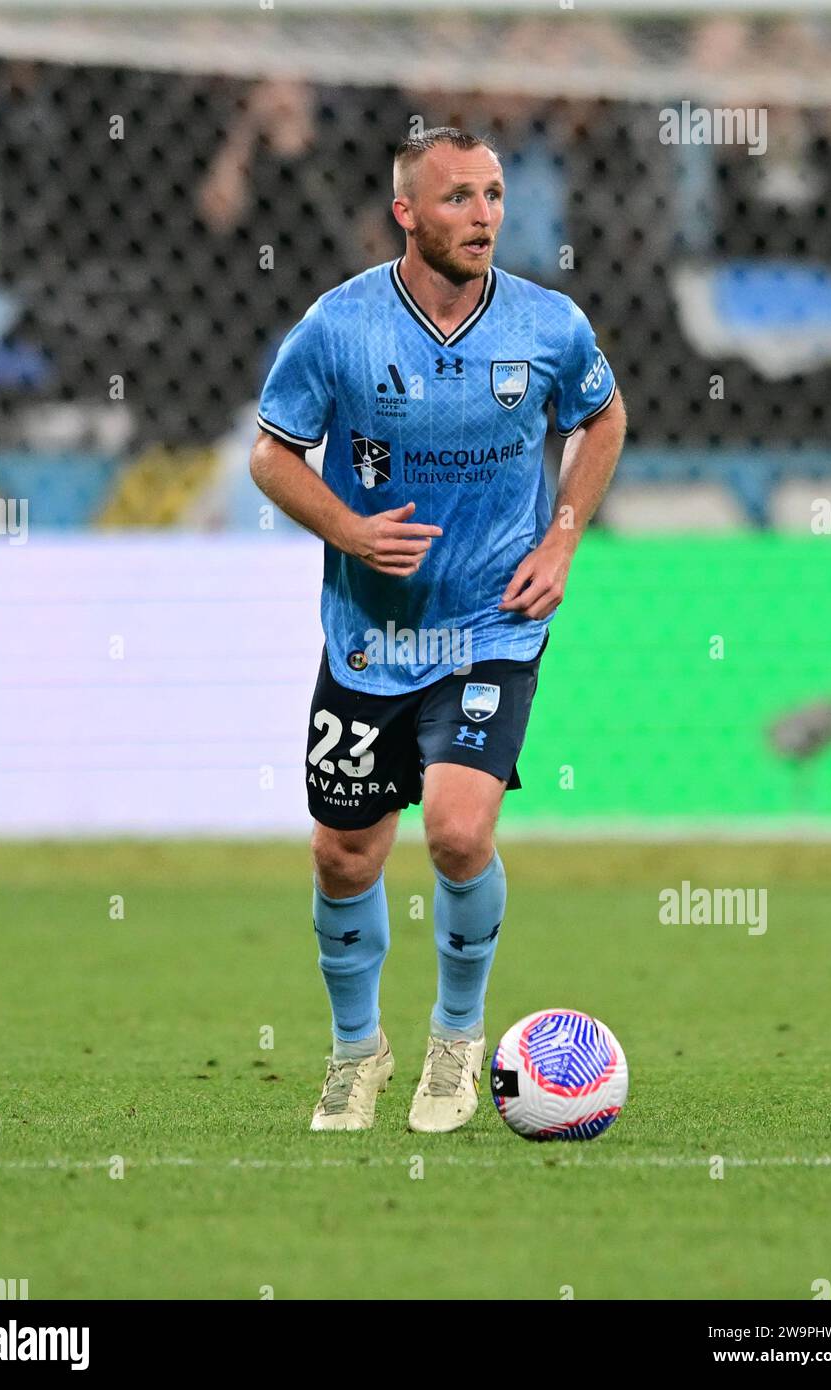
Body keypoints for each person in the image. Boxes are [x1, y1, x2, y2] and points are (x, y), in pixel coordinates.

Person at [250, 128, 626, 1133]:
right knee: (344, 855)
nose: (484, 215)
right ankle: (355, 1051)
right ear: (406, 213)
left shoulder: (548, 325)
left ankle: (457, 1040)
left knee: (459, 832)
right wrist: (349, 530)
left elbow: (602, 418)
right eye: (458, 197)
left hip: (492, 626)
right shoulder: (339, 326)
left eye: (494, 194)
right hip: (371, 638)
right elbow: (272, 454)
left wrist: (563, 536)